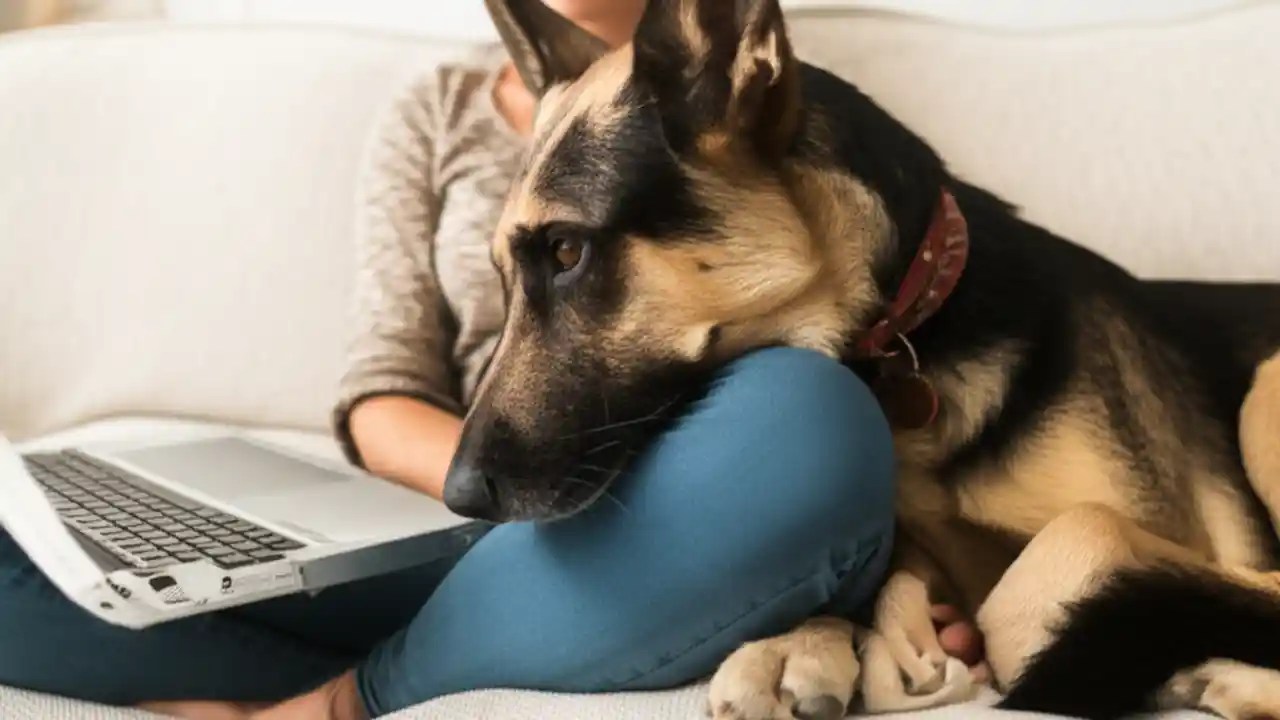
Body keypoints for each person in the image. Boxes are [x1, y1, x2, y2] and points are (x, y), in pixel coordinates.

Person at [0, 2, 977, 718]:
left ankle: (337, 703)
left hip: (679, 510)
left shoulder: (750, 102)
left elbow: (873, 344)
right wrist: (515, 487)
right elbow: (379, 396)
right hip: (460, 512)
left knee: (808, 417)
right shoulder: (435, 111)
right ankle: (466, 643)